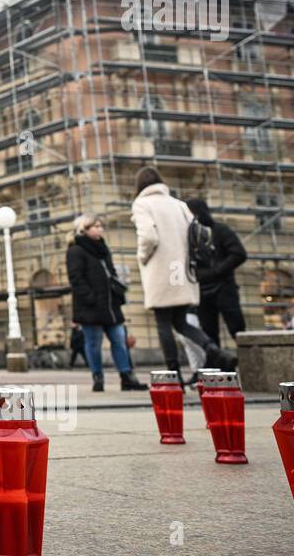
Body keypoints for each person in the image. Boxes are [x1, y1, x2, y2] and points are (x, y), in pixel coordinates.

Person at [130, 166, 224, 383]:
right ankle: (213, 349)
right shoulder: (180, 205)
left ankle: (174, 375)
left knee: (163, 322)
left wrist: (142, 257)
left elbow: (148, 237)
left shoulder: (142, 204)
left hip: (160, 271)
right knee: (181, 322)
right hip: (182, 271)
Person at [64, 213, 147, 392]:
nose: (100, 229)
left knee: (119, 340)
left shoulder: (103, 249)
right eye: (96, 226)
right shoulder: (76, 250)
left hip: (111, 305)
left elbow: (111, 273)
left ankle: (127, 377)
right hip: (91, 307)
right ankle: (97, 377)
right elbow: (75, 278)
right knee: (94, 343)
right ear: (83, 229)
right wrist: (90, 298)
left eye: (101, 226)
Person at [184, 198, 247, 350]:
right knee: (209, 333)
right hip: (203, 290)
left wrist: (216, 271)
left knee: (237, 329)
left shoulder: (221, 230)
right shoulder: (189, 236)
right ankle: (216, 367)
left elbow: (238, 254)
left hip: (224, 287)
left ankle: (249, 363)